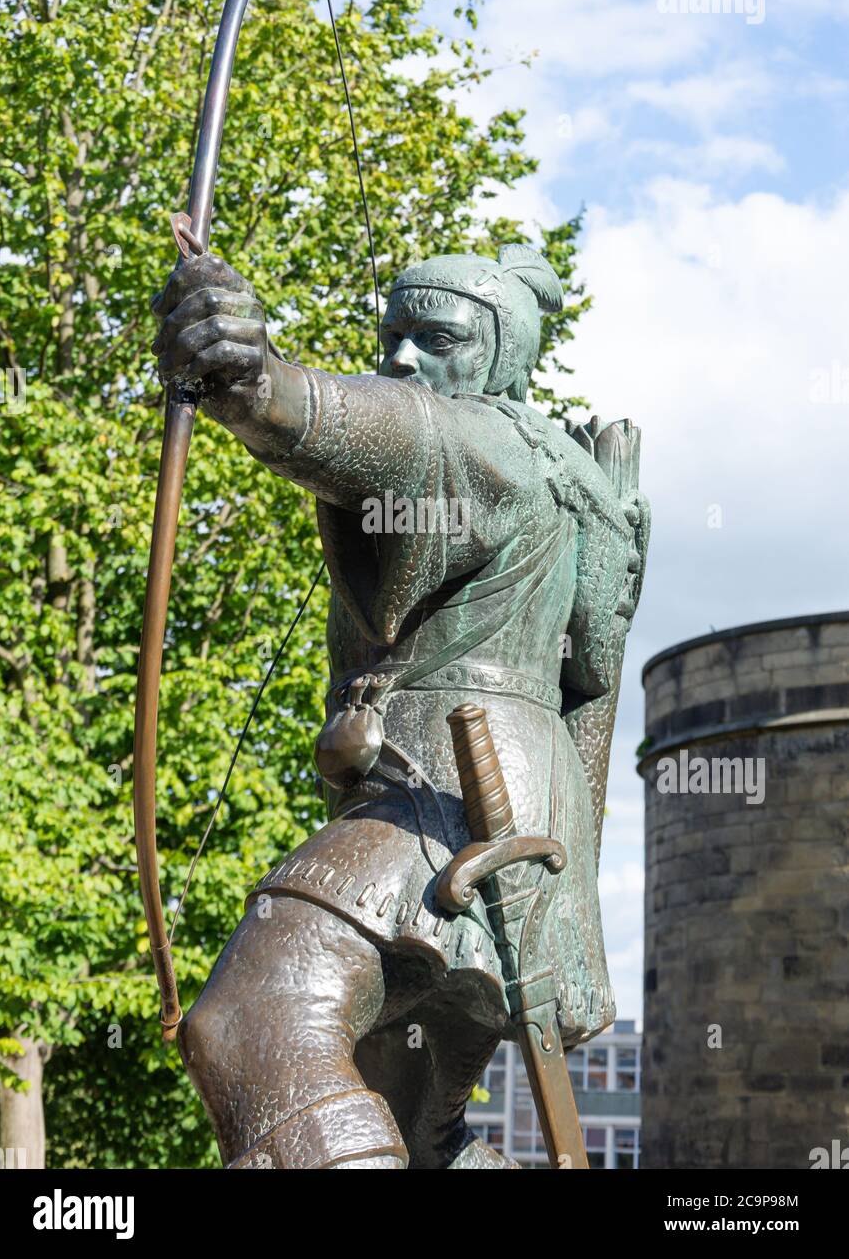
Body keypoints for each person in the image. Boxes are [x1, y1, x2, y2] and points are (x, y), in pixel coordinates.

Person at [151, 242, 649, 1169]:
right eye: (392, 337)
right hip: (492, 804)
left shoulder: (488, 442)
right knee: (416, 1130)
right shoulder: (553, 471)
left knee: (255, 1020)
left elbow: (372, 426)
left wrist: (250, 379)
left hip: (458, 796)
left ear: (499, 356)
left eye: (436, 338)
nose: (403, 360)